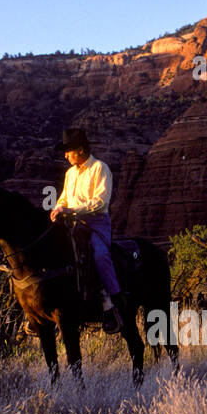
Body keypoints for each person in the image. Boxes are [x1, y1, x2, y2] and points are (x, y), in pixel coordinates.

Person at [49, 128, 125, 333]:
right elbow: (64, 198)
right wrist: (57, 208)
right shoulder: (70, 174)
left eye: (68, 151)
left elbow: (100, 202)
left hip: (95, 223)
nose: (65, 155)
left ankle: (112, 304)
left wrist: (72, 209)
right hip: (72, 223)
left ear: (80, 149)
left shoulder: (100, 168)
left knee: (100, 255)